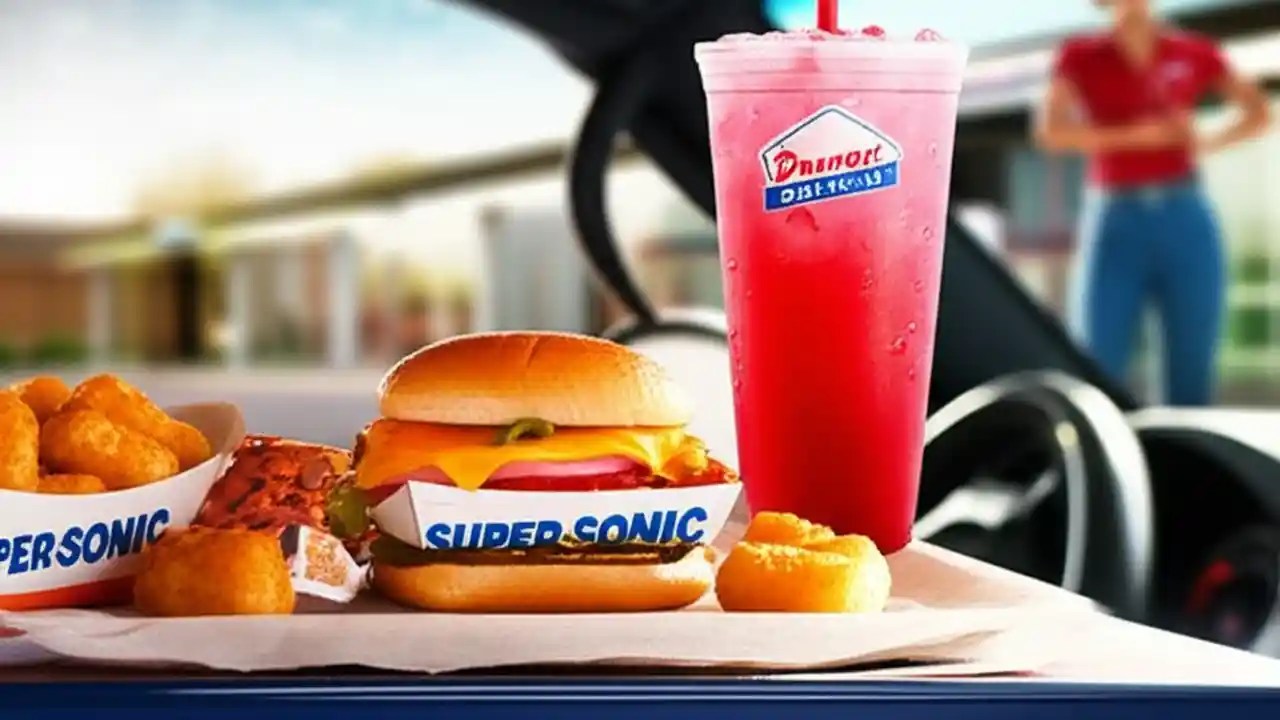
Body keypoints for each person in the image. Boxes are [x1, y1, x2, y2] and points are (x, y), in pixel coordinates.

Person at [1035, 0, 1271, 405]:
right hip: (1114, 217)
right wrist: (1136, 137)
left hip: (1185, 214)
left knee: (1191, 365)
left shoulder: (1194, 51)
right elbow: (1051, 133)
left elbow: (1259, 112)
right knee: (1096, 359)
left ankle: (1184, 462)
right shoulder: (1080, 55)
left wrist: (1206, 142)